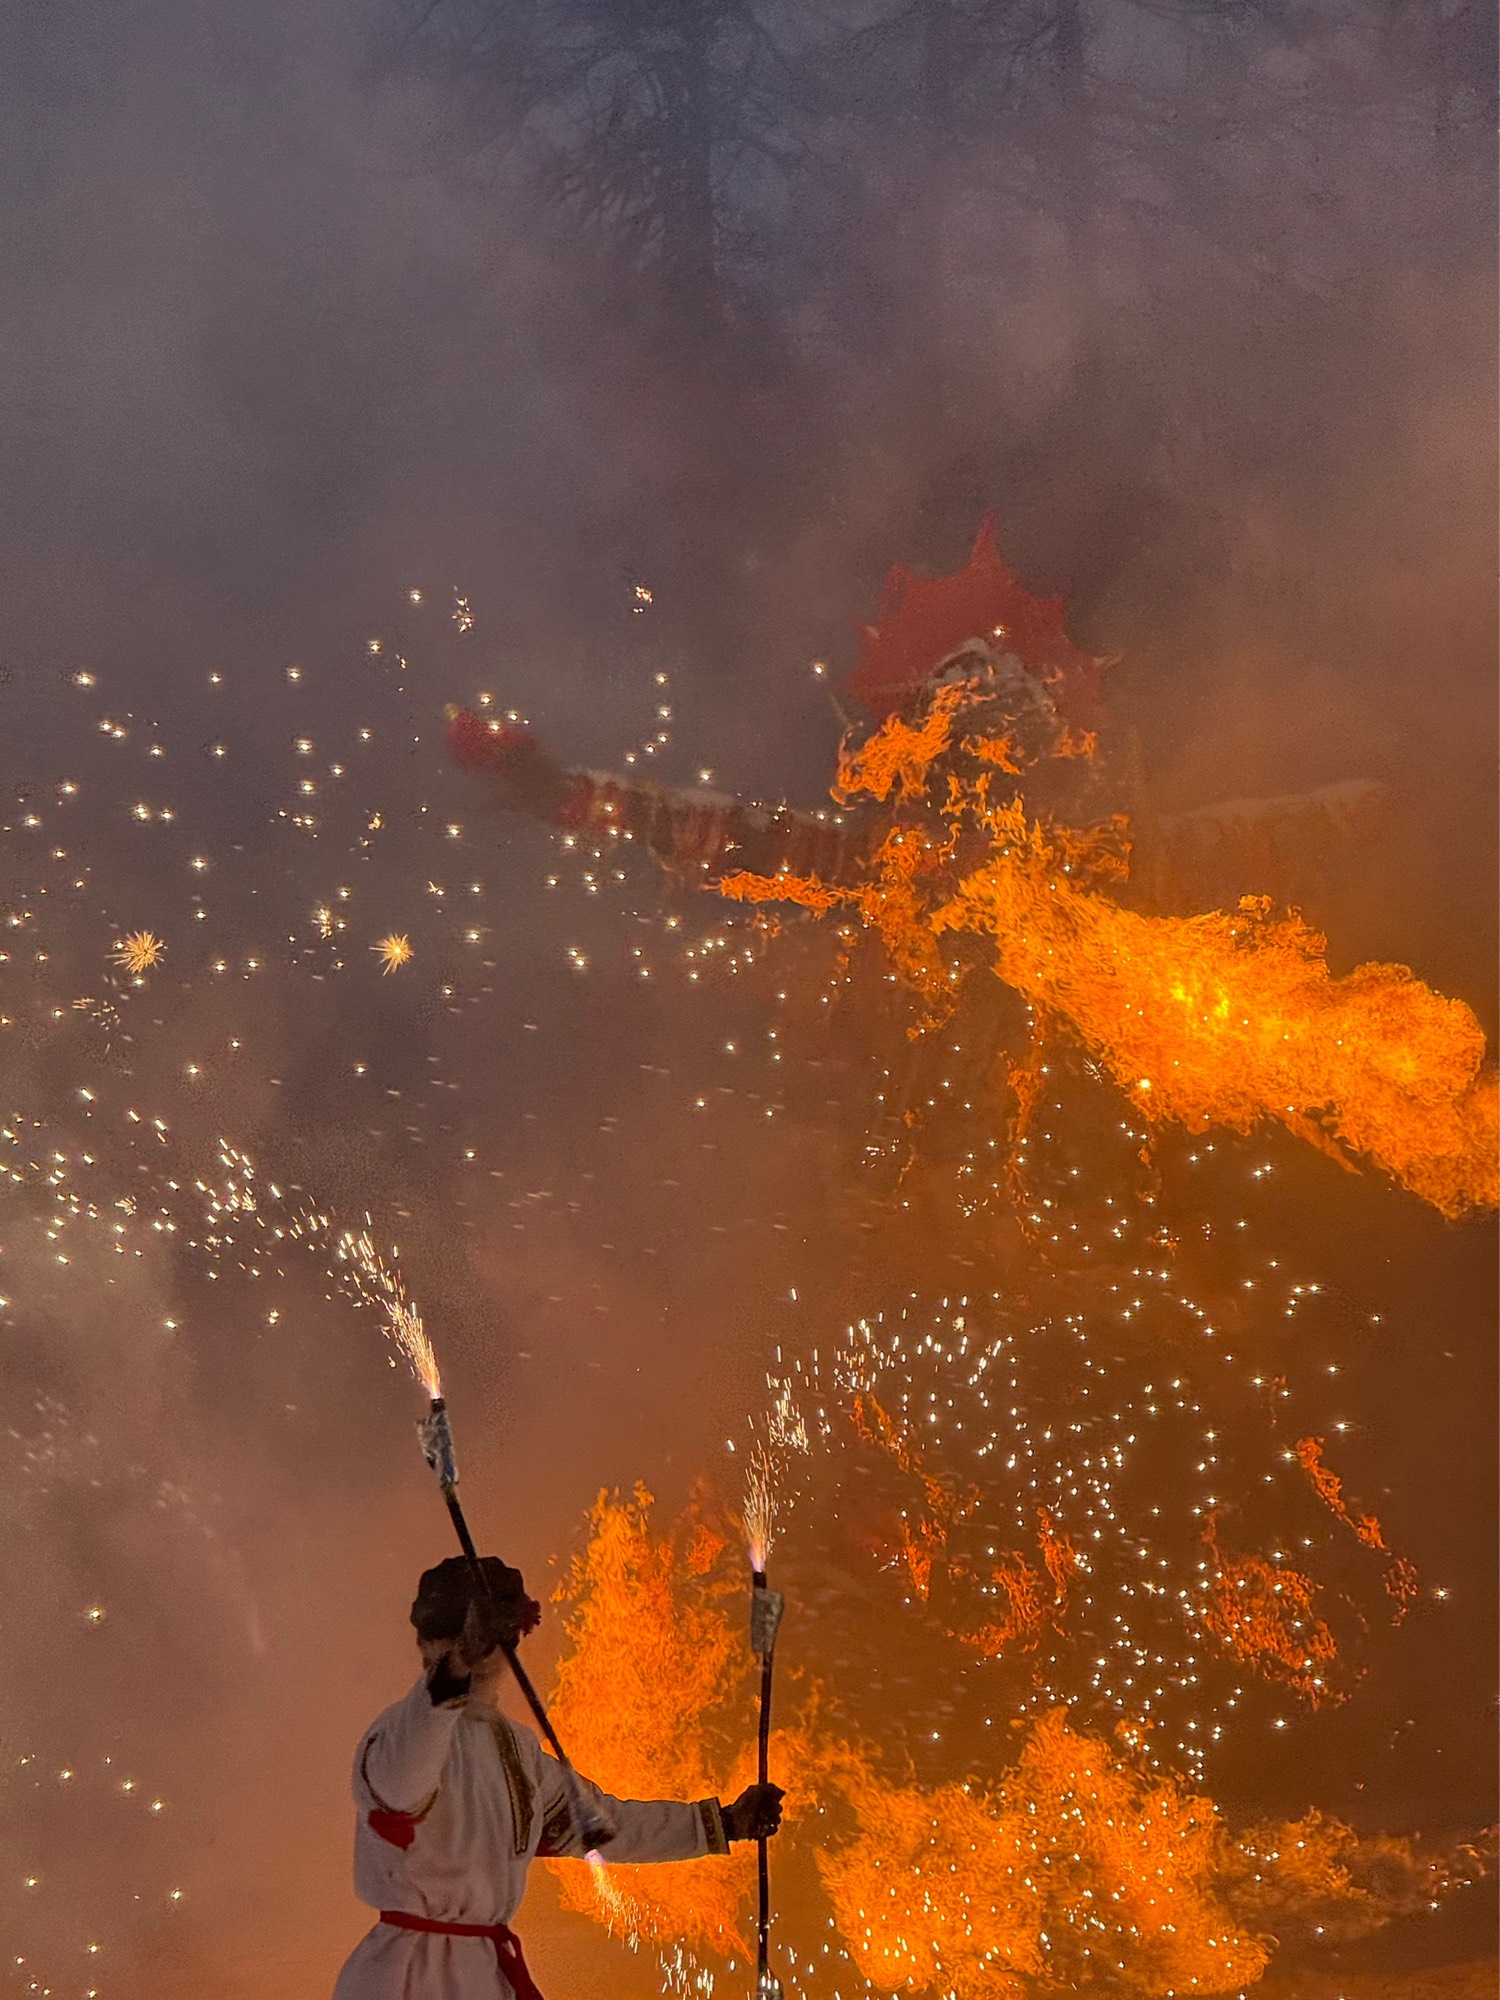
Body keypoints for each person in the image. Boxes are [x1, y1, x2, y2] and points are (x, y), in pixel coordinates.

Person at [332, 1555, 785, 2000]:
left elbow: (606, 1825)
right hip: (408, 1976)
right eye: (456, 1639)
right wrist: (457, 1669)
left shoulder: (517, 1749)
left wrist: (722, 1824)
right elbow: (404, 1778)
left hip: (486, 1974)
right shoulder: (397, 1735)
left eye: (487, 1638)